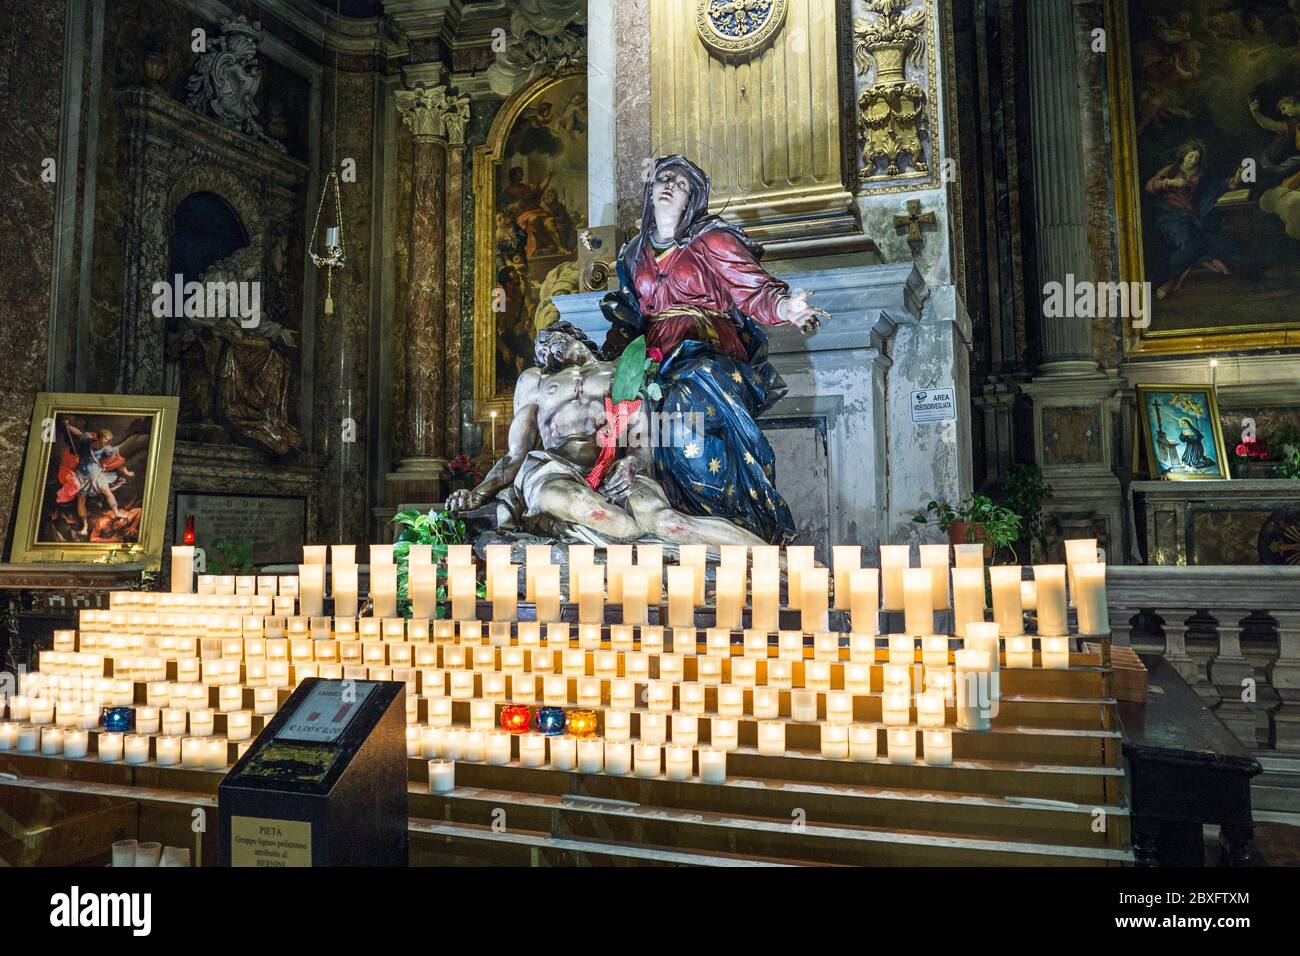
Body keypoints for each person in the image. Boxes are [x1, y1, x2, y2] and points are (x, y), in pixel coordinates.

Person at [598, 155, 828, 544]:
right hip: (652, 356)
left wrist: (788, 308)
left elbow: (753, 290)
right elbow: (629, 315)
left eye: (681, 184)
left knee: (688, 398)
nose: (670, 185)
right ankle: (661, 517)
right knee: (627, 412)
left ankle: (721, 514)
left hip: (706, 348)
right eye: (663, 179)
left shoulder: (712, 240)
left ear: (693, 199)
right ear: (650, 191)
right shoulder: (632, 254)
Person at [446, 321, 763, 546]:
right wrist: (480, 491)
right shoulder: (534, 380)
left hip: (615, 471)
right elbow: (516, 454)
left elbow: (641, 441)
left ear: (574, 336)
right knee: (588, 506)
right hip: (552, 470)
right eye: (539, 346)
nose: (543, 347)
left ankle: (778, 564)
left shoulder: (622, 370)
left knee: (671, 521)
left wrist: (630, 465)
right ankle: (642, 543)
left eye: (550, 337)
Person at [1145, 141, 1248, 298]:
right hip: (1170, 216)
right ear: (1183, 156)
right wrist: (1170, 182)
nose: (1193, 160)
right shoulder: (1172, 170)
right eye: (1190, 156)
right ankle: (1157, 281)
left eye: (1197, 157)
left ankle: (1173, 279)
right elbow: (1150, 186)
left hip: (1191, 217)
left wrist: (1234, 180)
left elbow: (1216, 186)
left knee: (1212, 243)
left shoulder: (1201, 174)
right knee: (1190, 245)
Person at [54, 423, 135, 538]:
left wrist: (126, 472)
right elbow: (78, 433)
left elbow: (118, 461)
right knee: (81, 500)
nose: (105, 443)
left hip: (95, 474)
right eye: (104, 439)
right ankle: (85, 526)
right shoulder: (88, 440)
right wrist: (68, 426)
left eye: (108, 441)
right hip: (80, 475)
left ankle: (116, 511)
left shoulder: (106, 449)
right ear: (98, 437)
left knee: (107, 491)